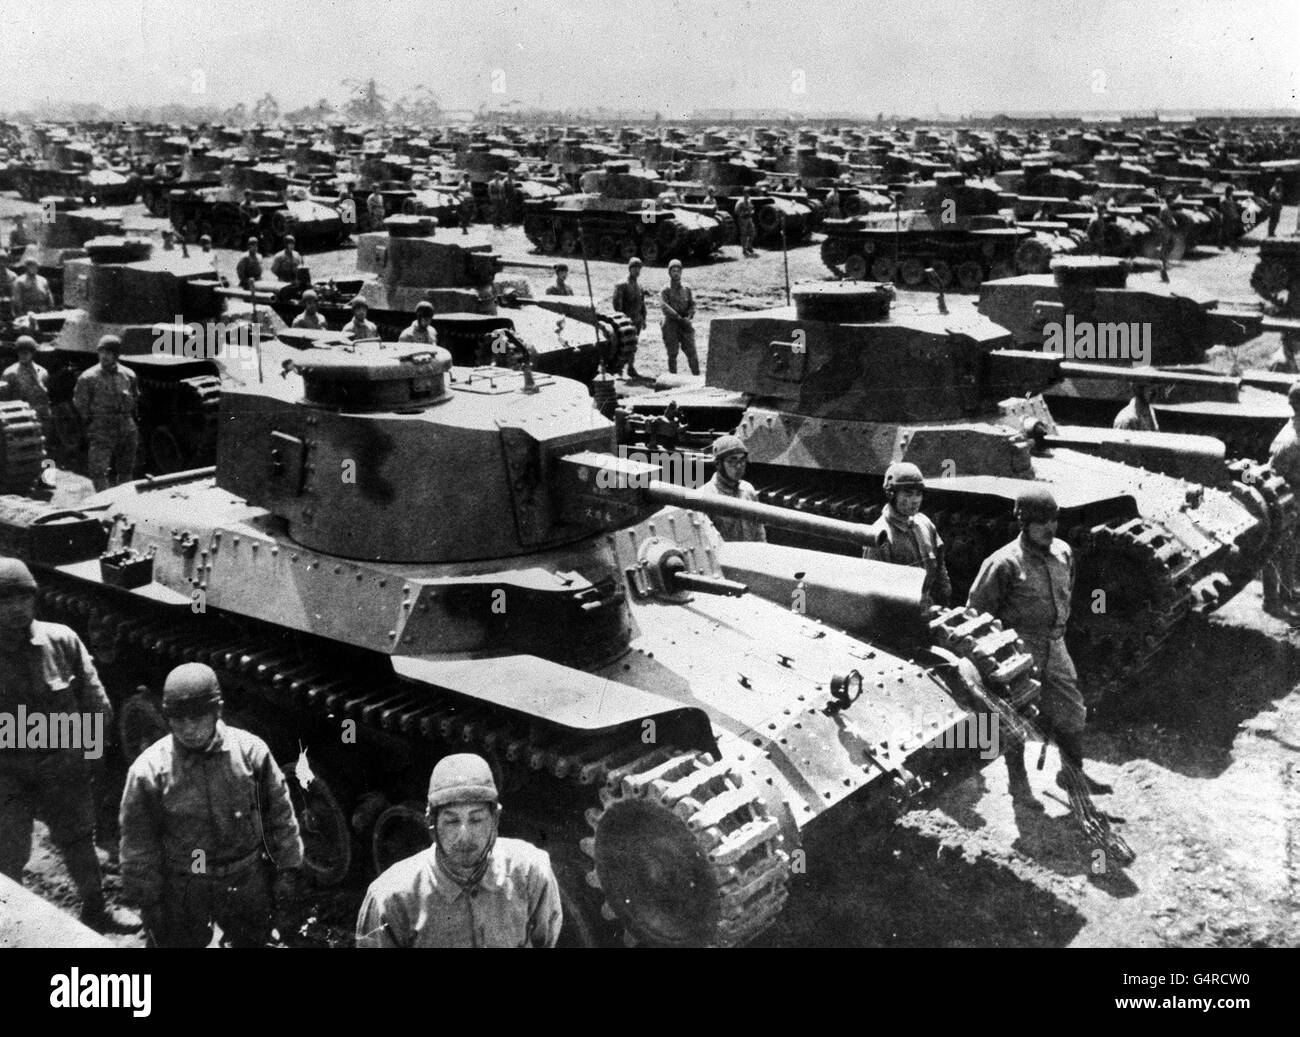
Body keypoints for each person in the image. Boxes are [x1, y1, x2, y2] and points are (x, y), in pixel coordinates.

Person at [118, 663, 303, 948]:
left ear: (217, 711)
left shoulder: (251, 753)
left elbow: (280, 816)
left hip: (246, 881)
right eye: (178, 719)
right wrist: (147, 900)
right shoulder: (149, 770)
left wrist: (287, 871)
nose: (188, 729)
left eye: (197, 717)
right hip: (184, 885)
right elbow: (138, 842)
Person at [0, 557, 140, 933]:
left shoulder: (61, 640)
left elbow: (95, 703)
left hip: (62, 767)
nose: (16, 609)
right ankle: (11, 926)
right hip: (7, 773)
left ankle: (96, 910)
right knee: (8, 853)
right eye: (4, 601)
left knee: (79, 840)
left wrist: (90, 760)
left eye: (23, 599)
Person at [968, 485, 1109, 803]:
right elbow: (975, 614)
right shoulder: (1003, 563)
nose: (1050, 528)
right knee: (1015, 717)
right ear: (1024, 523)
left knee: (1072, 712)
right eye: (1041, 521)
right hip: (1017, 649)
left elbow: (1067, 592)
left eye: (1054, 520)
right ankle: (1019, 786)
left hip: (1055, 646)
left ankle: (1072, 776)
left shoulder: (1063, 553)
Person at [355, 753, 562, 948]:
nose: (465, 836)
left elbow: (544, 940)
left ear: (495, 819)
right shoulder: (390, 897)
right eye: (452, 821)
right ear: (432, 824)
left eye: (477, 819)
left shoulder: (531, 873)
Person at [862, 461, 950, 607]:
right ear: (891, 494)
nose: (915, 501)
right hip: (900, 613)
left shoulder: (925, 523)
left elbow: (940, 566)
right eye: (908, 494)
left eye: (918, 494)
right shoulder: (880, 536)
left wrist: (944, 597)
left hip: (929, 606)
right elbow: (874, 591)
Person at [72, 335, 139, 491]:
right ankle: (105, 501)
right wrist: (93, 422)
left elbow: (135, 396)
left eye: (108, 353)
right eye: (101, 352)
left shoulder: (128, 374)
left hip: (126, 427)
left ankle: (125, 501)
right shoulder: (88, 377)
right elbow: (80, 403)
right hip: (102, 427)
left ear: (116, 355)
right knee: (98, 471)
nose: (104, 356)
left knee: (126, 470)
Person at [1264, 382, 1300, 621]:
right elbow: (1272, 475)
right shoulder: (1288, 440)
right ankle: (1271, 599)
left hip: (1296, 499)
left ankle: (1287, 591)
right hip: (1284, 500)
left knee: (1290, 548)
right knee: (1275, 550)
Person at [698, 435, 766, 542]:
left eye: (742, 460)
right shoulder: (705, 496)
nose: (739, 466)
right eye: (732, 461)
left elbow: (759, 533)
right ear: (718, 464)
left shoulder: (748, 490)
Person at [2, 336, 53, 442]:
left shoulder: (41, 371)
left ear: (32, 353)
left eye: (26, 353)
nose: (23, 355)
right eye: (20, 353)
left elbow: (46, 393)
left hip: (41, 415)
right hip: (21, 416)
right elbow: (4, 399)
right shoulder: (10, 373)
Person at [660, 259, 699, 376]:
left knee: (692, 351)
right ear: (669, 273)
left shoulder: (687, 288)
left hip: (685, 323)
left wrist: (689, 315)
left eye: (678, 271)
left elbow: (692, 304)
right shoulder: (665, 289)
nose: (676, 273)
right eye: (673, 271)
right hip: (671, 324)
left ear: (681, 272)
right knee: (672, 353)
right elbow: (664, 306)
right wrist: (677, 317)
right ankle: (673, 378)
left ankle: (697, 377)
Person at [612, 257, 647, 378]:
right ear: (630, 269)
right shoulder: (622, 284)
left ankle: (631, 368)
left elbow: (642, 304)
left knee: (633, 345)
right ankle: (618, 370)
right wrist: (621, 320)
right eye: (635, 268)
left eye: (639, 268)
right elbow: (617, 305)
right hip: (624, 322)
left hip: (637, 320)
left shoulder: (640, 286)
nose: (637, 271)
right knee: (621, 346)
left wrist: (644, 319)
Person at [1157, 195, 1178, 283]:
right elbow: (1164, 220)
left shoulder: (1168, 209)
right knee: (1165, 248)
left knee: (1170, 245)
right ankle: (1163, 268)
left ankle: (1164, 264)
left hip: (1169, 230)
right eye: (1172, 201)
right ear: (1169, 201)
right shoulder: (1165, 209)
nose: (1174, 203)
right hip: (1166, 230)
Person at [734, 188, 757, 258]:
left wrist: (752, 211)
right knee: (744, 234)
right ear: (744, 194)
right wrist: (743, 213)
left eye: (749, 193)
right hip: (743, 219)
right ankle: (744, 249)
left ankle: (749, 246)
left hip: (749, 218)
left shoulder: (749, 201)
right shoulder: (740, 202)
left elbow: (752, 207)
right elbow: (736, 211)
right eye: (747, 193)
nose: (748, 195)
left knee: (752, 232)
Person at [1219, 186, 1240, 250]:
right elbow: (1222, 208)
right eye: (1231, 191)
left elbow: (1233, 207)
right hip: (1226, 217)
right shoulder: (1223, 198)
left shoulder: (1230, 198)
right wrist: (1229, 214)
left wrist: (1235, 214)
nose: (1232, 193)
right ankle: (1224, 245)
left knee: (1230, 232)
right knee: (1225, 232)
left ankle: (1231, 245)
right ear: (1228, 191)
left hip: (1231, 217)